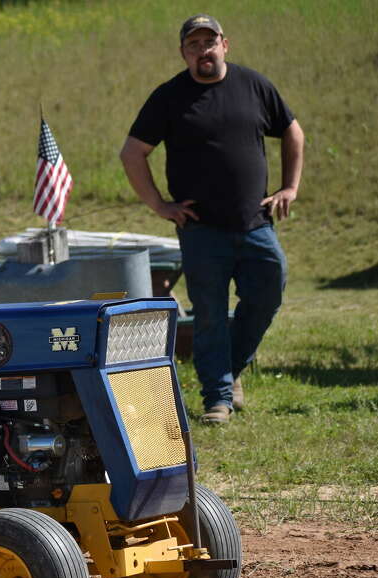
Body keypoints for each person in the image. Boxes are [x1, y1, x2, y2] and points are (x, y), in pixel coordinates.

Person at [120, 14, 304, 424]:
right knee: (209, 315)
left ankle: (229, 370)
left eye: (209, 42)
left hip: (255, 223)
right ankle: (217, 399)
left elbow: (293, 132)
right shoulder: (169, 97)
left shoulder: (254, 86)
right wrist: (160, 206)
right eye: (194, 45)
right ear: (184, 52)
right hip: (201, 229)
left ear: (225, 44)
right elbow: (133, 153)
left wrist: (290, 187)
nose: (203, 51)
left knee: (269, 294)